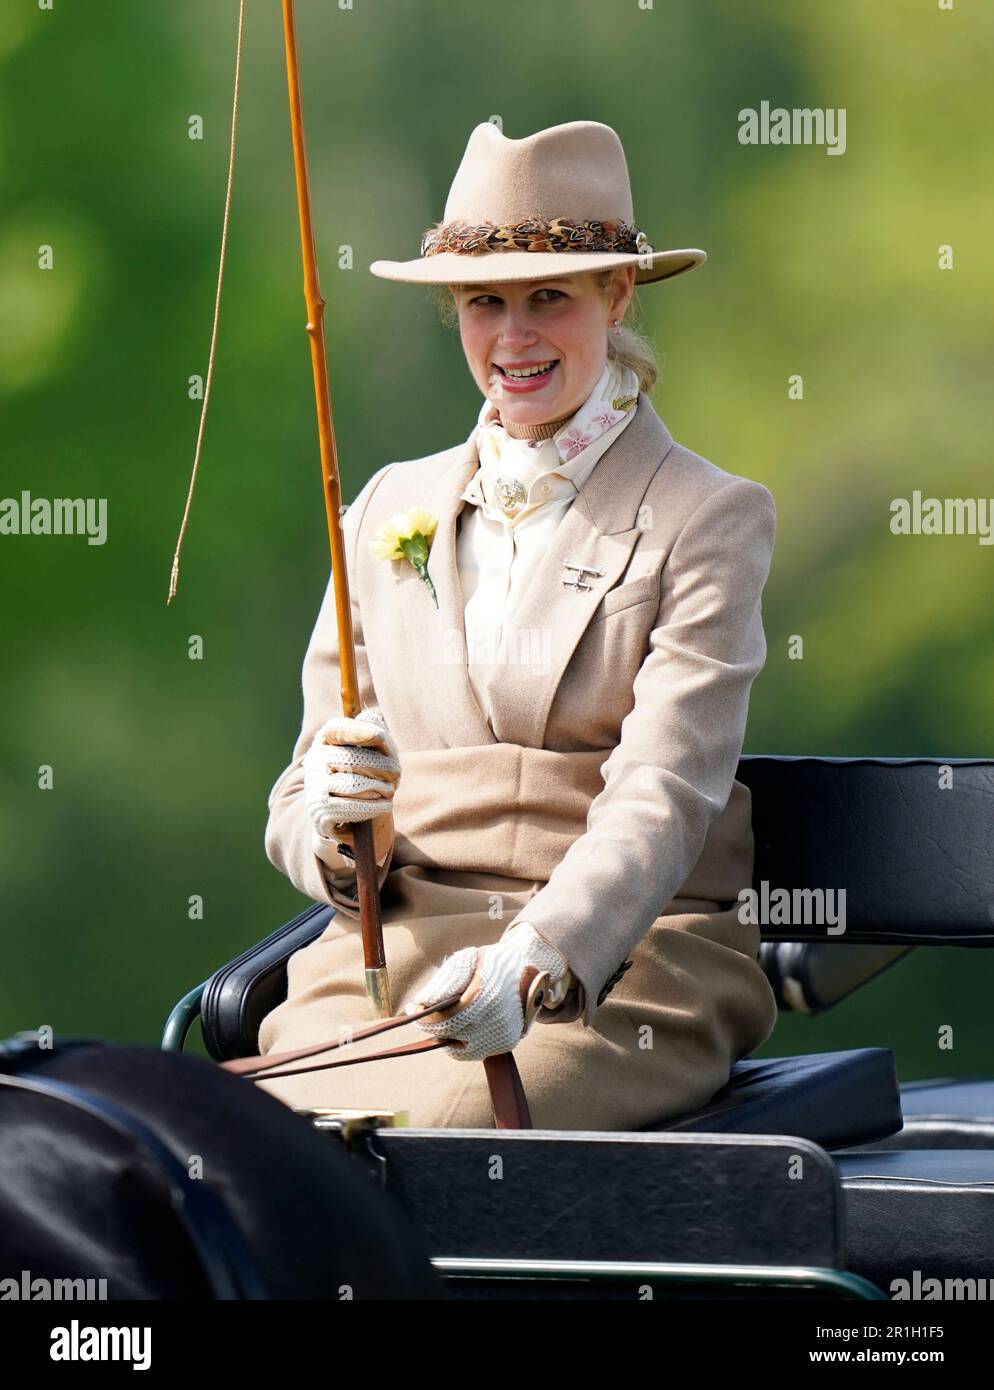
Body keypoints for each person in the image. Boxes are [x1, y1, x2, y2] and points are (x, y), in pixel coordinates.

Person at [255, 119, 779, 1130]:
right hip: (389, 953)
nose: (513, 337)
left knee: (445, 1129)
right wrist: (329, 816)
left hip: (629, 957)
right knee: (226, 1147)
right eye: (484, 303)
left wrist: (542, 954)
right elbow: (294, 800)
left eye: (550, 297)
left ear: (616, 296)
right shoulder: (380, 511)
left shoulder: (706, 516)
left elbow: (664, 790)